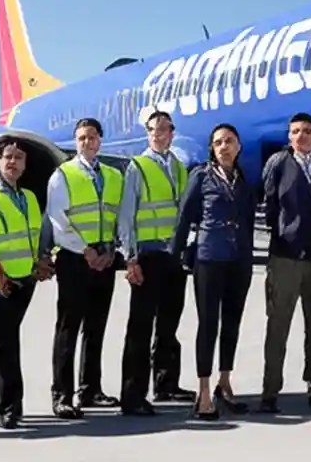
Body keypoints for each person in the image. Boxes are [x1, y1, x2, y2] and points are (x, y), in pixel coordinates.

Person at [0, 134, 55, 429]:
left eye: (19, 158)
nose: (13, 163)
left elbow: (33, 238)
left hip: (23, 280)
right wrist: (0, 277)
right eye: (8, 157)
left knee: (1, 339)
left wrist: (40, 262)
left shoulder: (29, 198)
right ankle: (10, 407)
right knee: (8, 343)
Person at [171, 122, 256, 420]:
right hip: (209, 258)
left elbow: (247, 219)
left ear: (238, 147)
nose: (224, 146)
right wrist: (176, 255)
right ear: (212, 148)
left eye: (230, 141)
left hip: (239, 260)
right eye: (219, 142)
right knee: (209, 324)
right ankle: (203, 390)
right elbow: (185, 217)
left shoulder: (243, 179)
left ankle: (225, 381)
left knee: (232, 322)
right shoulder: (201, 176)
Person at [258, 112, 311, 414]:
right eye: (295, 131)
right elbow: (269, 206)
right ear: (289, 136)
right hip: (285, 258)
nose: (301, 136)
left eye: (307, 131)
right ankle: (270, 391)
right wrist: (280, 240)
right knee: (278, 326)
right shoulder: (278, 165)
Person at [116, 110, 195, 415]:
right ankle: (132, 395)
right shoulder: (138, 167)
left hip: (173, 256)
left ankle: (166, 384)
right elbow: (127, 215)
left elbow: (183, 212)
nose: (158, 134)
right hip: (147, 255)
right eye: (152, 129)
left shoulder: (178, 166)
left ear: (172, 132)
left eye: (163, 129)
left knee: (169, 325)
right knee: (140, 327)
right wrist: (130, 258)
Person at [45, 118, 122, 418]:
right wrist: (86, 251)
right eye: (81, 138)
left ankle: (90, 389)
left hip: (105, 258)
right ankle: (61, 395)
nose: (86, 142)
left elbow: (120, 217)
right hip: (75, 259)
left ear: (100, 140)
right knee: (68, 328)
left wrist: (113, 250)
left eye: (91, 137)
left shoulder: (115, 176)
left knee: (96, 327)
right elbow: (58, 219)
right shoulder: (63, 174)